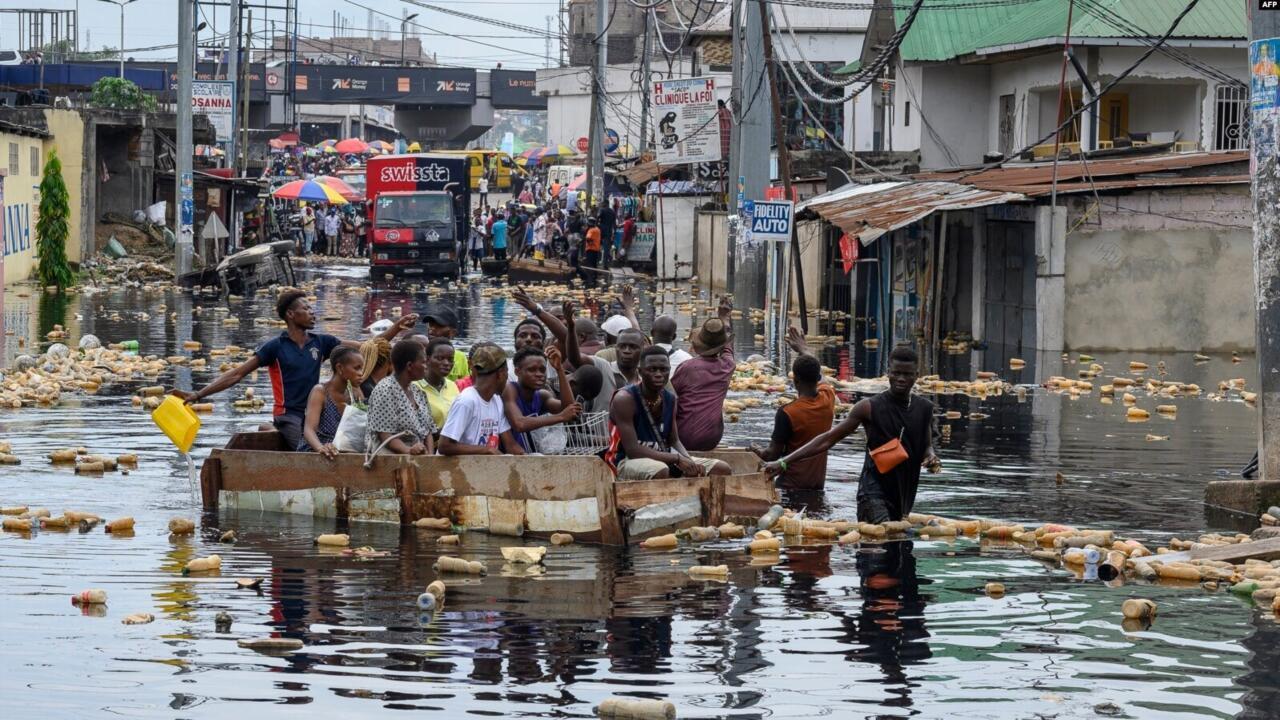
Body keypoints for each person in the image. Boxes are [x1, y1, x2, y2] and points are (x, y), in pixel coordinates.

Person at [173, 290, 416, 450]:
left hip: (316, 411)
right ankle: (271, 427)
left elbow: (368, 348)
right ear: (291, 314)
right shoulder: (274, 347)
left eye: (312, 309)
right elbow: (237, 374)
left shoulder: (320, 342)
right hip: (288, 415)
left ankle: (270, 429)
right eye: (306, 309)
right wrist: (197, 395)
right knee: (307, 448)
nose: (312, 312)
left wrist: (396, 328)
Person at [763, 345, 941, 522]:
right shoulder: (869, 407)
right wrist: (783, 462)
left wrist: (931, 458)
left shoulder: (924, 409)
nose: (901, 379)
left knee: (896, 545)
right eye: (896, 373)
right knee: (879, 543)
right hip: (872, 494)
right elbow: (827, 439)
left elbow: (926, 447)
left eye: (907, 374)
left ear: (916, 376)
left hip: (903, 496)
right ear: (888, 373)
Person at [605, 346, 731, 480]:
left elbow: (674, 440)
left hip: (663, 457)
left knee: (721, 468)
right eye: (652, 369)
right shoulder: (625, 399)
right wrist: (676, 459)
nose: (659, 374)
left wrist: (688, 461)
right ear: (640, 372)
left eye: (664, 370)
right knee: (660, 470)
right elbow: (633, 450)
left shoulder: (670, 398)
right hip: (626, 461)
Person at [751, 328, 837, 491]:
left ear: (795, 381)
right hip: (817, 485)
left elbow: (772, 455)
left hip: (789, 486)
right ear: (817, 379)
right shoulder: (828, 399)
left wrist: (756, 450)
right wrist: (803, 349)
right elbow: (822, 375)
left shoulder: (788, 413)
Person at [671, 296, 737, 451]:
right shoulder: (728, 366)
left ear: (697, 346)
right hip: (712, 438)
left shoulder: (687, 367)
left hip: (683, 437)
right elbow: (728, 347)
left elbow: (669, 396)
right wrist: (725, 318)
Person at [439, 345, 525, 455]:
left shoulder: (497, 400)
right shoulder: (466, 401)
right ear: (501, 374)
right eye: (507, 372)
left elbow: (510, 445)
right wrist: (486, 449)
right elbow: (444, 446)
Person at [366, 338, 437, 455]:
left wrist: (429, 458)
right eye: (423, 362)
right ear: (409, 365)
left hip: (420, 457)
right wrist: (409, 451)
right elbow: (385, 435)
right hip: (391, 460)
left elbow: (428, 431)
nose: (426, 366)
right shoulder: (385, 390)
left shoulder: (417, 392)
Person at [502, 347, 581, 452]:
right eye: (532, 370)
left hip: (530, 454)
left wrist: (559, 369)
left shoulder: (542, 395)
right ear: (517, 372)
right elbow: (519, 424)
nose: (539, 374)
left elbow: (570, 409)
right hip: (507, 457)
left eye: (542, 370)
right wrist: (561, 416)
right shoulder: (510, 389)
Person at [300, 346, 365, 457]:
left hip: (343, 451)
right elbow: (309, 430)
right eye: (357, 368)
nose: (361, 373)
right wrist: (321, 448)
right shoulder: (320, 392)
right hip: (316, 452)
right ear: (339, 368)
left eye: (361, 369)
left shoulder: (355, 392)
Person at [416, 337, 460, 430]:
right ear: (427, 360)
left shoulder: (452, 385)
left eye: (450, 359)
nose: (446, 363)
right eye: (440, 358)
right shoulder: (414, 387)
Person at [422, 304, 470, 382]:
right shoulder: (419, 355)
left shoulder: (460, 358)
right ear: (428, 359)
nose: (431, 330)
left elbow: (465, 384)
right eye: (430, 325)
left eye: (439, 326)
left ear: (452, 332)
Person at [582, 217, 602, 286]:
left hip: (590, 249)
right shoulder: (598, 229)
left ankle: (589, 280)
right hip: (596, 249)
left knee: (589, 265)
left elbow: (588, 238)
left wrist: (590, 244)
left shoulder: (591, 230)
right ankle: (594, 278)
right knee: (594, 264)